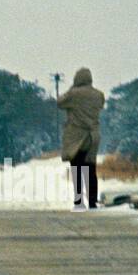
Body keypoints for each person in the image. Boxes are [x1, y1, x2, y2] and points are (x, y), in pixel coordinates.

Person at [57, 67, 106, 210]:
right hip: (92, 137)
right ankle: (92, 202)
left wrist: (73, 88)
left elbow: (59, 102)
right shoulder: (99, 95)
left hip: (76, 137)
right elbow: (101, 105)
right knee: (91, 170)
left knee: (77, 169)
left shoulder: (74, 94)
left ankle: (79, 201)